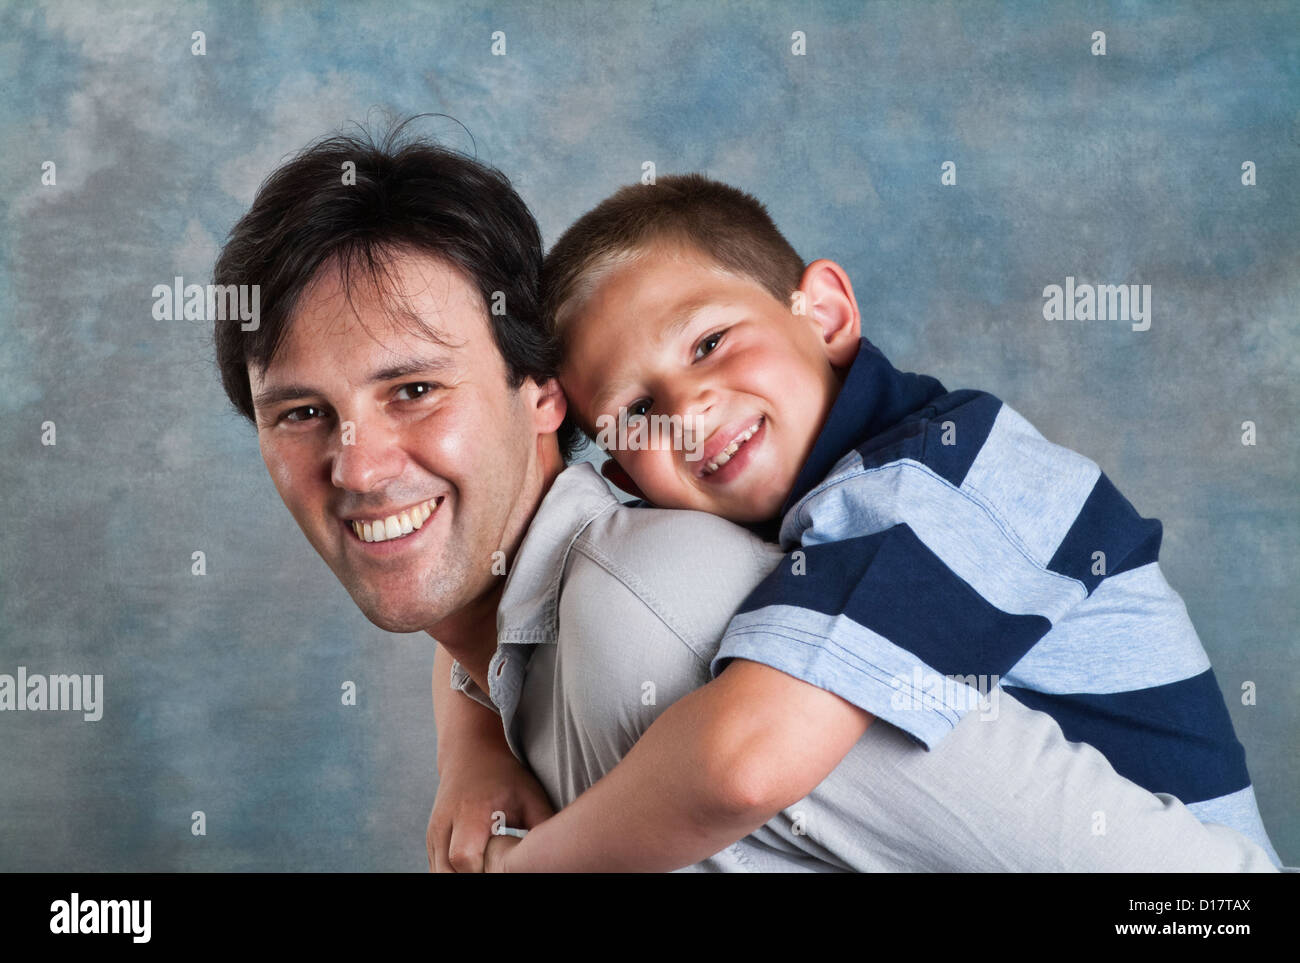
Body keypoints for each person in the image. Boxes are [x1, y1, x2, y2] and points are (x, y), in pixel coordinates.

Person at [210, 123, 1277, 872]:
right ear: (609, 456)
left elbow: (738, 760)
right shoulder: (707, 559)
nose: (357, 465)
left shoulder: (908, 498)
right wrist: (472, 737)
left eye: (414, 390)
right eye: (300, 412)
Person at [478, 172, 1281, 871]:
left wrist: (532, 864)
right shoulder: (807, 513)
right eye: (640, 409)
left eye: (711, 341)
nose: (690, 411)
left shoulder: (934, 482)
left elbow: (744, 765)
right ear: (624, 479)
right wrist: (471, 736)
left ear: (824, 314)